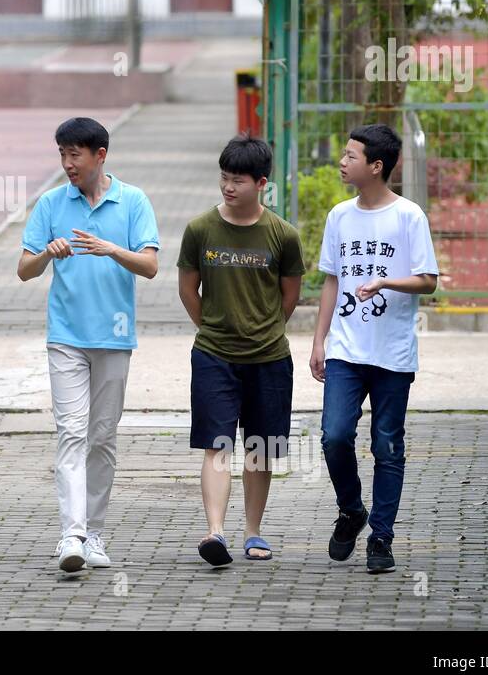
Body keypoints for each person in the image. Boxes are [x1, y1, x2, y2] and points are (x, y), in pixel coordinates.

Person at [18, 117, 160, 574]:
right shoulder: (51, 203)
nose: (67, 163)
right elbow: (24, 269)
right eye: (62, 154)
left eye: (74, 154)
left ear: (100, 155)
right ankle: (72, 534)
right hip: (66, 337)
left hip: (115, 338)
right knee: (71, 433)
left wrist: (110, 249)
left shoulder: (133, 201)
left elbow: (151, 266)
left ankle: (95, 532)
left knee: (102, 437)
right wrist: (47, 254)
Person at [310, 123, 438, 575]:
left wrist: (385, 280)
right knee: (335, 436)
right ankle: (351, 510)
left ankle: (381, 538)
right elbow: (331, 279)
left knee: (388, 447)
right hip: (346, 350)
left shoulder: (409, 217)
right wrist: (318, 340)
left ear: (376, 166)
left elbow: (428, 281)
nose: (342, 162)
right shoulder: (339, 216)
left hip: (392, 355)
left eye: (350, 156)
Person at [178, 135, 304, 566]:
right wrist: (214, 328)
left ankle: (253, 532)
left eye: (238, 180)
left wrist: (262, 330)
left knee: (260, 448)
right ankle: (215, 532)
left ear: (261, 183)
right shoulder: (200, 229)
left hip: (269, 358)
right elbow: (187, 289)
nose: (229, 187)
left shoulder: (283, 235)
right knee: (216, 444)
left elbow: (289, 298)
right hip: (213, 354)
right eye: (224, 178)